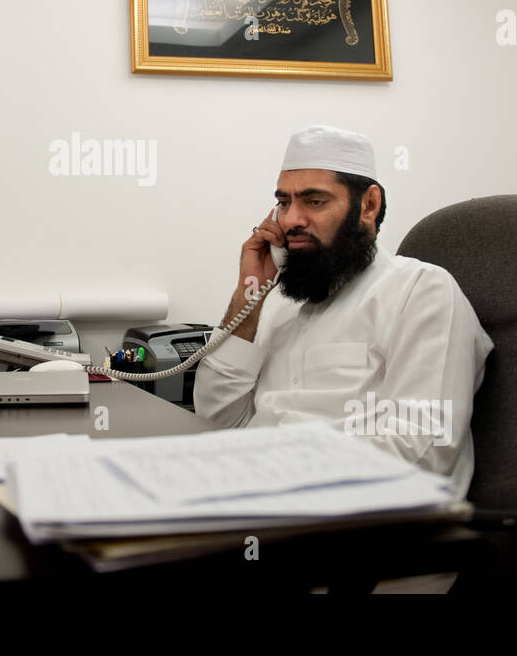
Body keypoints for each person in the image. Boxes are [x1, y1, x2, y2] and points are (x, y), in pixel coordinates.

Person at [193, 124, 493, 500]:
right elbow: (218, 422)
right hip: (254, 503)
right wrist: (248, 296)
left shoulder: (422, 291)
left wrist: (270, 477)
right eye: (284, 202)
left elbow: (422, 452)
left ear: (368, 206)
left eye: (313, 201)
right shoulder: (279, 303)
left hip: (356, 526)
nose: (289, 221)